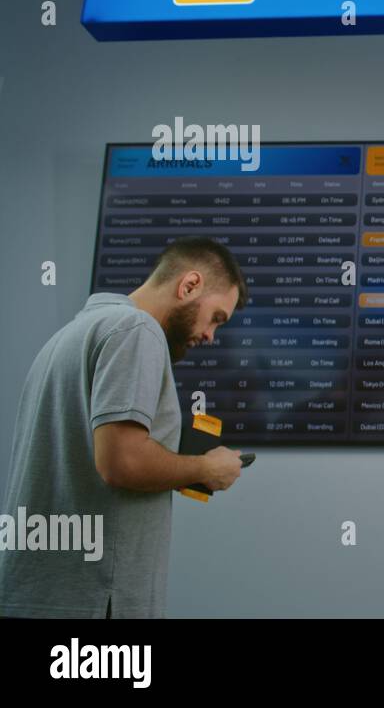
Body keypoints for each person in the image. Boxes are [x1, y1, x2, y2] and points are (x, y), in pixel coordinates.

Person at [0, 237, 249, 618]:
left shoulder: (68, 337)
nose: (211, 336)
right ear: (190, 285)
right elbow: (121, 462)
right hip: (92, 603)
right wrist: (205, 468)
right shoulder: (136, 331)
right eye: (216, 318)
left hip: (38, 594)